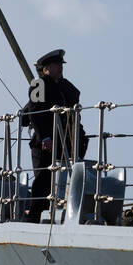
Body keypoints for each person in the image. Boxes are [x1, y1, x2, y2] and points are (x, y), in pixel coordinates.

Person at [22, 49, 88, 223]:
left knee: (65, 177)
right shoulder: (39, 84)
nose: (60, 67)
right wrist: (45, 137)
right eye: (56, 65)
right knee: (43, 180)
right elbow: (35, 112)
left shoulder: (64, 86)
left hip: (62, 141)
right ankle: (33, 217)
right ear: (46, 69)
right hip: (44, 144)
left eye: (61, 64)